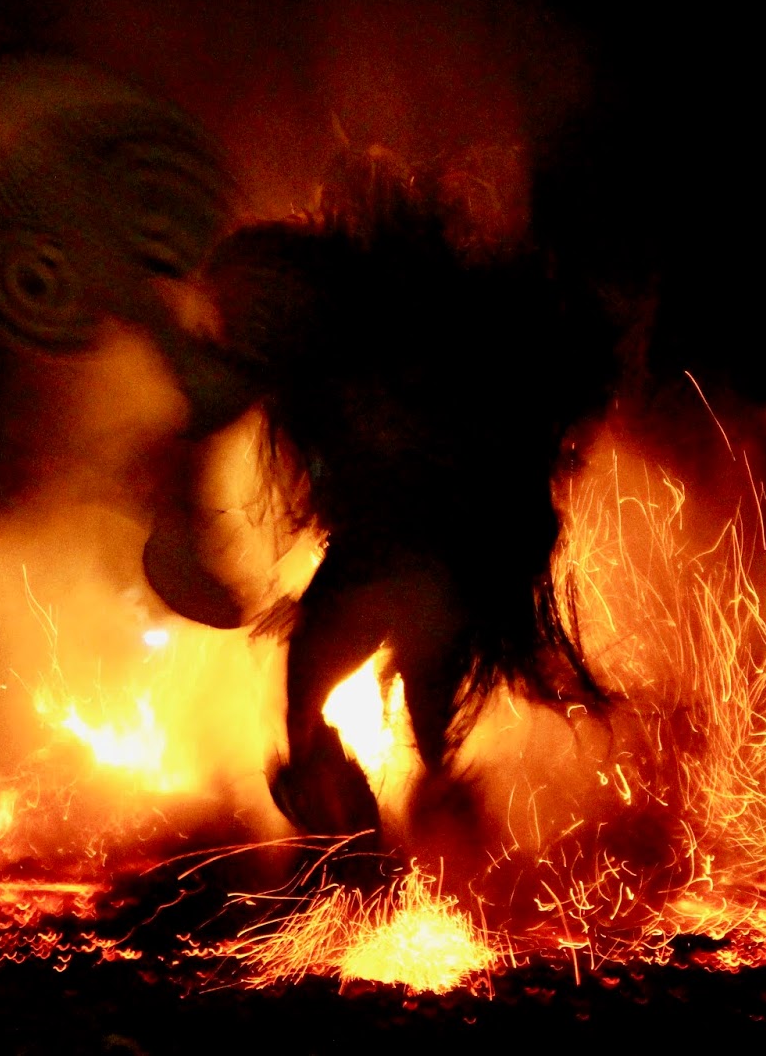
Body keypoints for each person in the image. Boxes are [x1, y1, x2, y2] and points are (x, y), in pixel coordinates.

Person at [141, 145, 619, 846]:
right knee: (331, 697)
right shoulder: (306, 351)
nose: (241, 334)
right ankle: (383, 823)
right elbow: (211, 407)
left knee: (394, 692)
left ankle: (432, 832)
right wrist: (178, 517)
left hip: (441, 549)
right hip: (397, 551)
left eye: (247, 317)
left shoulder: (396, 341)